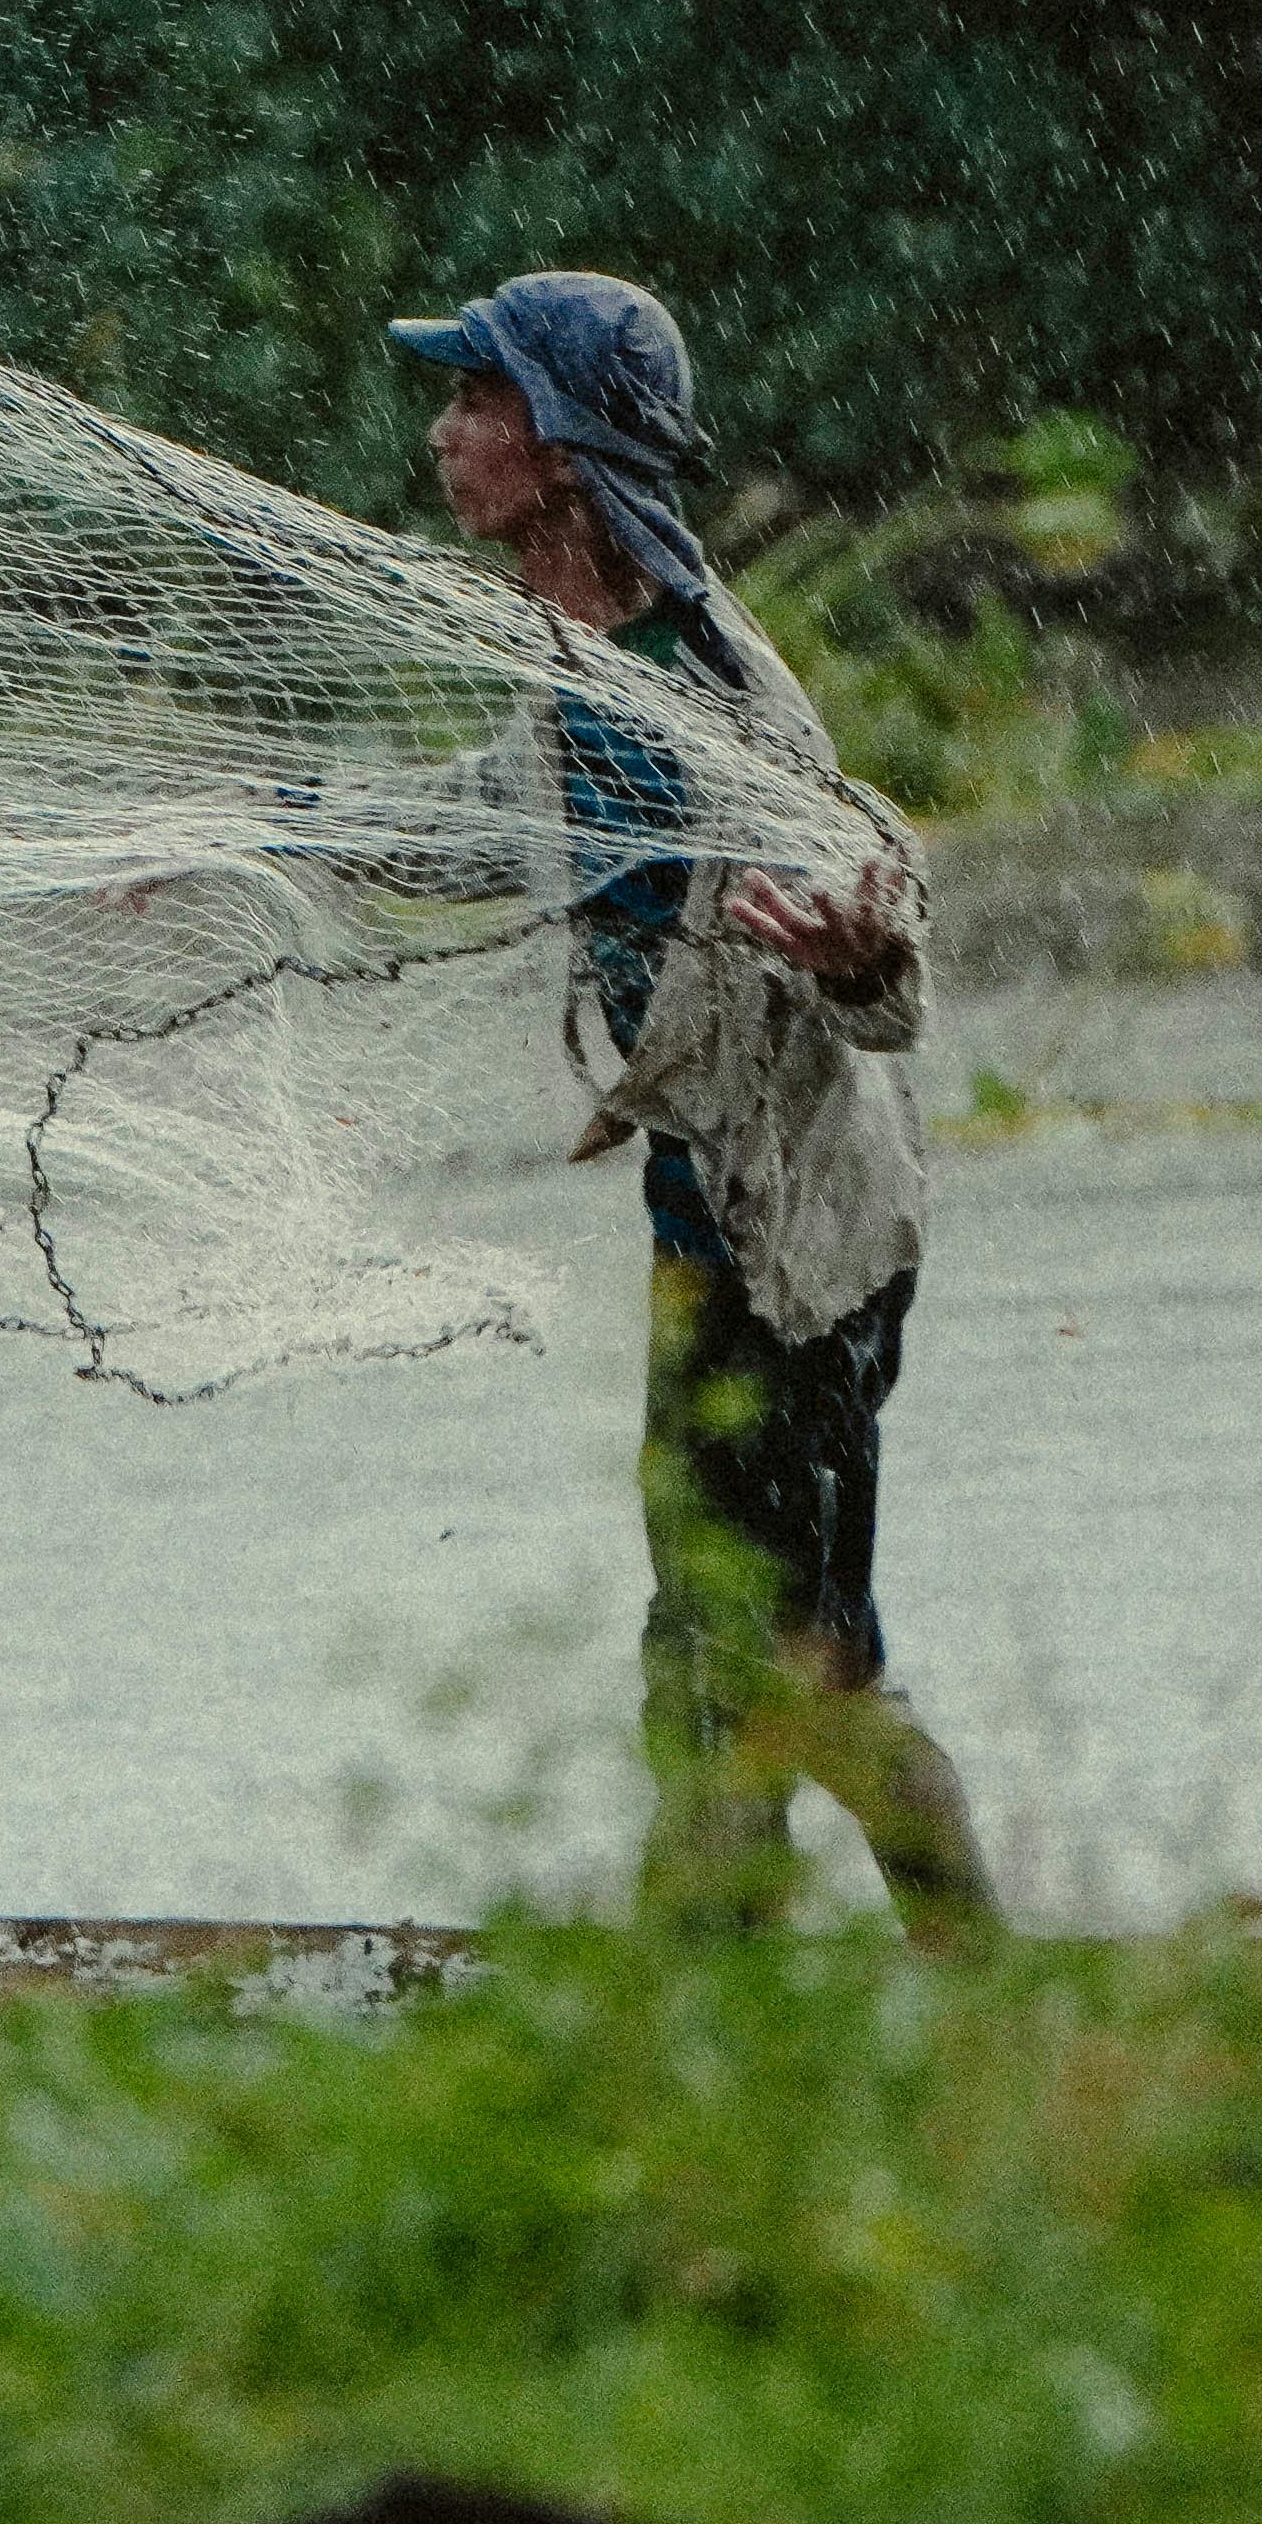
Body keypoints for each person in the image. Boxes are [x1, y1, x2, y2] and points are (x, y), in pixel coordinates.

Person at [389, 270, 1000, 1945]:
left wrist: (864, 950)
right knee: (703, 1661)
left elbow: (880, 969)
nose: (444, 435)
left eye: (481, 405)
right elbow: (470, 826)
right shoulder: (578, 658)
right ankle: (719, 2014)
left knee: (804, 1676)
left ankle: (961, 1994)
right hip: (702, 1231)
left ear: (569, 455)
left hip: (806, 1255)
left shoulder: (711, 692)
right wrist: (250, 838)